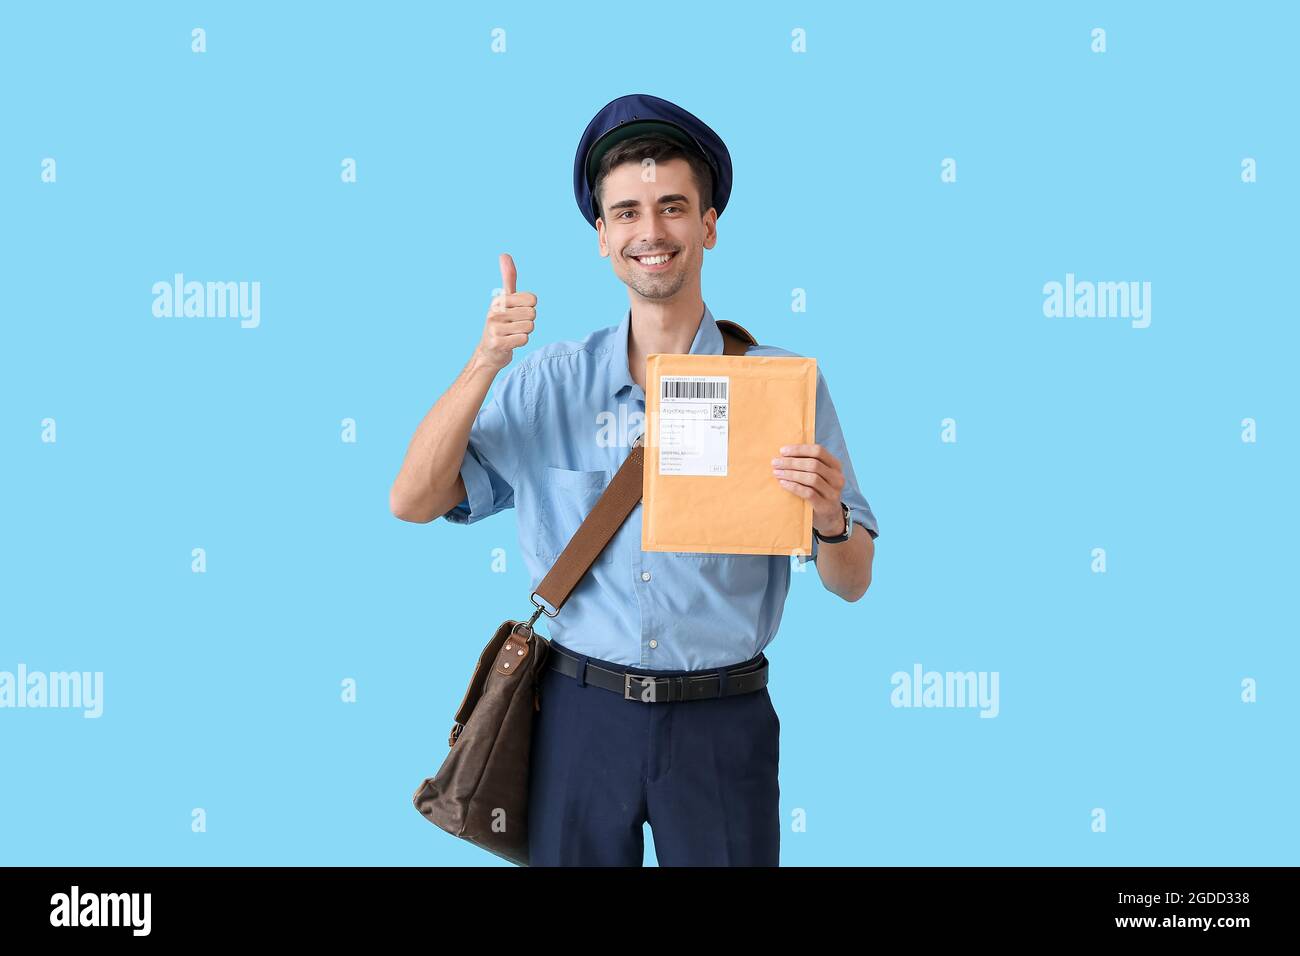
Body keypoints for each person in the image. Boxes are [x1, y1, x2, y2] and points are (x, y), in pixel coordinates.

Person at [389, 93, 879, 866]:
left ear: (708, 225)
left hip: (724, 722)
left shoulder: (781, 387)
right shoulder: (547, 381)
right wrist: (486, 360)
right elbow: (412, 501)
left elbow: (852, 582)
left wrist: (827, 521)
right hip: (578, 719)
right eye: (626, 212)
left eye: (673, 207)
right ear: (602, 237)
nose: (650, 232)